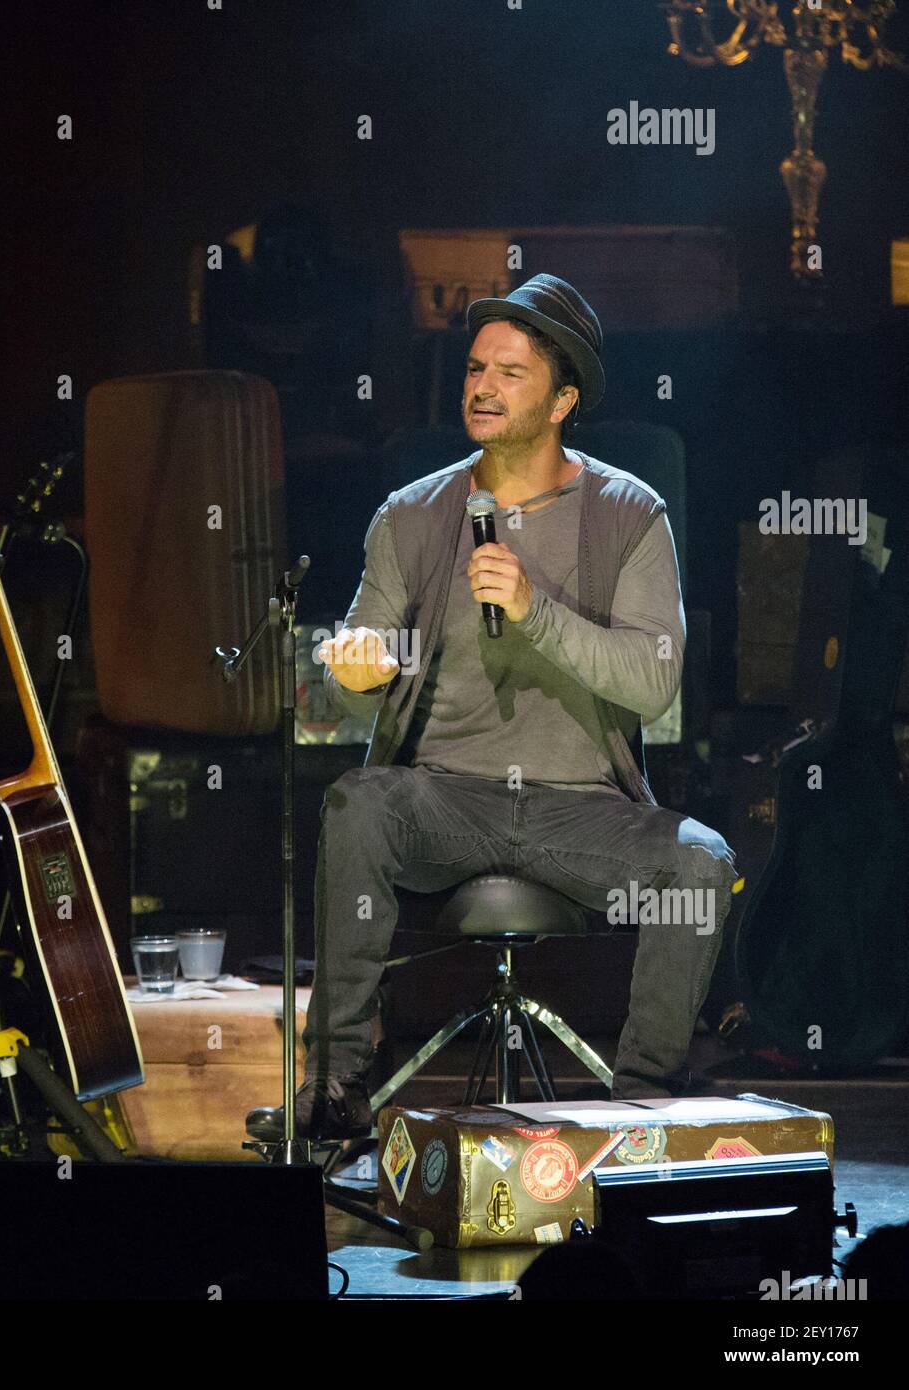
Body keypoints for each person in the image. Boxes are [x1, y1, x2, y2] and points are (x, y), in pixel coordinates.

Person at [247, 273, 739, 1141]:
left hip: (582, 812)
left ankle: (643, 1107)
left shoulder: (631, 513)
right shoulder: (410, 514)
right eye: (477, 367)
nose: (483, 385)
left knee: (700, 863)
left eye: (512, 373)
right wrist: (357, 669)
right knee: (356, 804)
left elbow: (653, 680)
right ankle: (333, 1087)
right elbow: (358, 662)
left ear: (564, 399)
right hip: (447, 799)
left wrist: (535, 611)